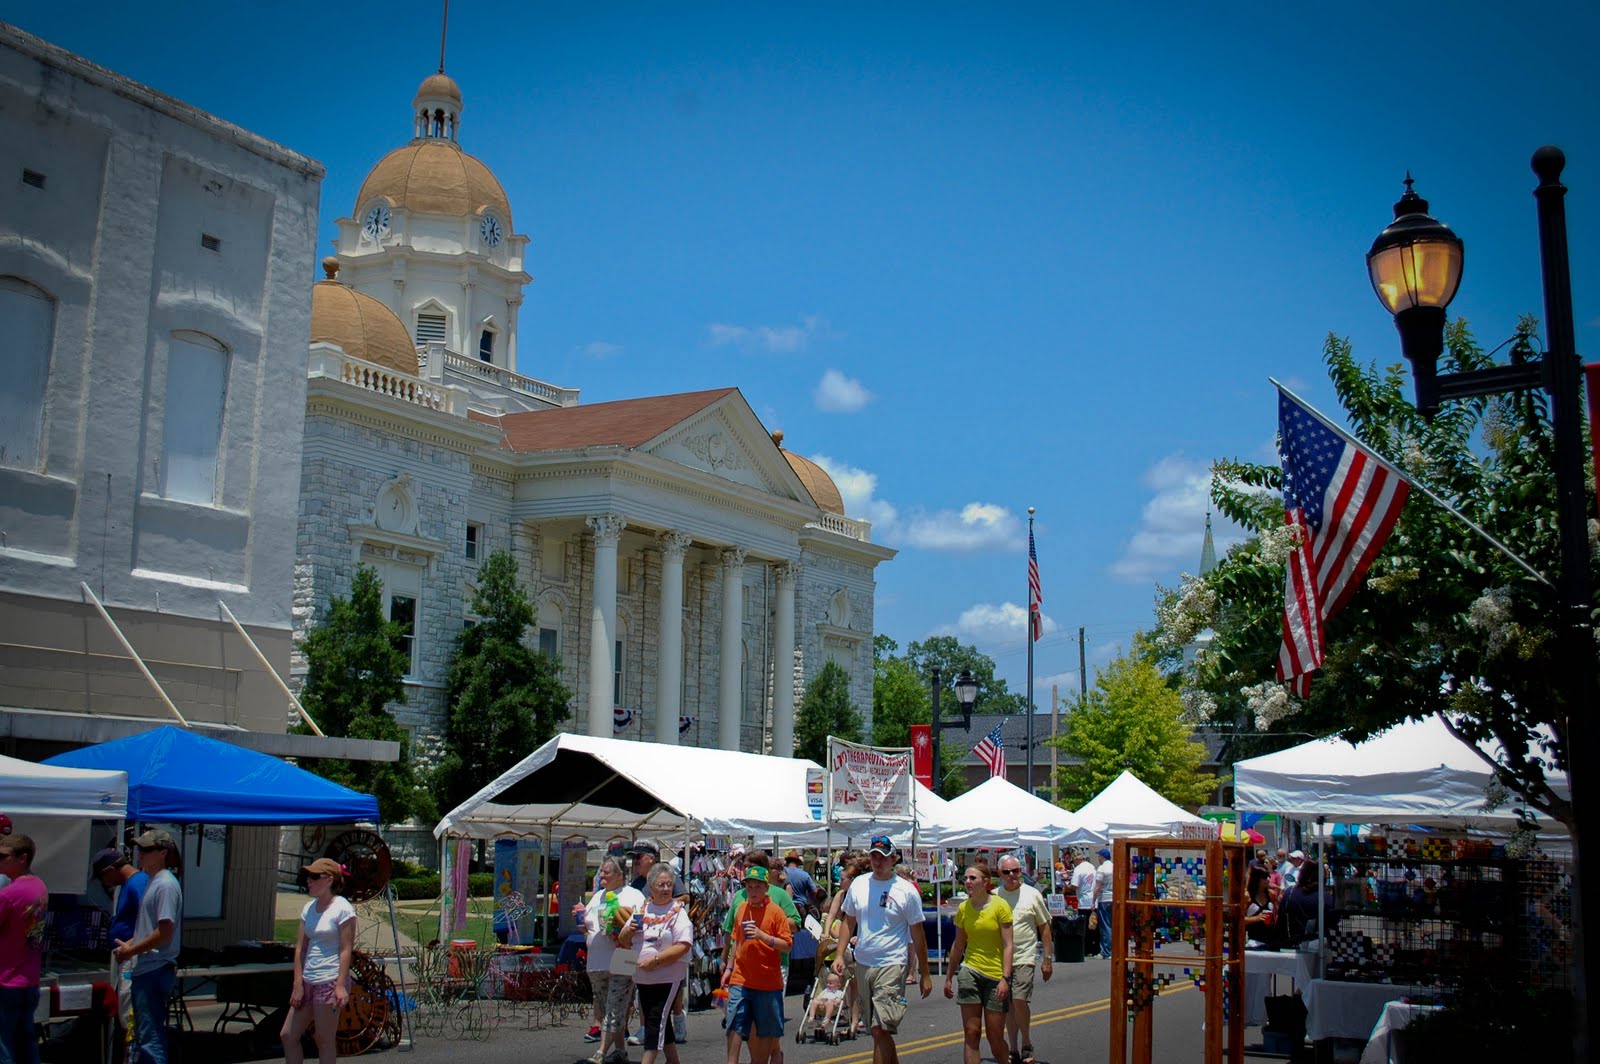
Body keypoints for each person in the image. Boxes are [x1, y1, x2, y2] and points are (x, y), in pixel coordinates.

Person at [835, 836, 930, 1064]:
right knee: (877, 1031)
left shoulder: (906, 891)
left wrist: (924, 972)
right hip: (864, 963)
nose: (878, 861)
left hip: (892, 963)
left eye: (884, 857)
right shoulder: (859, 884)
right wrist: (839, 954)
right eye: (874, 856)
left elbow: (918, 934)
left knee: (880, 1029)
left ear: (894, 859)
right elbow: (849, 921)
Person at [721, 851, 799, 1064]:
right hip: (741, 978)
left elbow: (787, 946)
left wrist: (763, 936)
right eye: (749, 886)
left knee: (764, 1037)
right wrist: (728, 968)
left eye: (757, 887)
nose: (753, 891)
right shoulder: (741, 908)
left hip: (767, 982)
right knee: (735, 1023)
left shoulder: (776, 911)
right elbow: (736, 940)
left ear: (766, 888)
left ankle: (771, 1056)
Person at [113, 829, 183, 1064]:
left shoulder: (164, 885)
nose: (139, 854)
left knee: (150, 1037)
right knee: (144, 1035)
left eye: (146, 849)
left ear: (163, 852)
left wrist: (131, 951)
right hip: (148, 967)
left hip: (154, 968)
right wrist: (130, 945)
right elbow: (150, 929)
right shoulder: (154, 882)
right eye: (139, 848)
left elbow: (164, 932)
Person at [280, 857, 356, 1064]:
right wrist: (298, 984)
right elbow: (300, 948)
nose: (309, 881)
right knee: (288, 1035)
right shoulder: (308, 909)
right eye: (308, 877)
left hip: (329, 980)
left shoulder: (342, 908)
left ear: (329, 880)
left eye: (314, 877)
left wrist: (340, 985)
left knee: (323, 1039)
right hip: (308, 979)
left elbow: (346, 948)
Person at [621, 865, 693, 1064]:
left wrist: (656, 960)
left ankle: (648, 1059)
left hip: (667, 977)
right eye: (661, 884)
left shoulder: (678, 912)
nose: (666, 889)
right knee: (661, 1021)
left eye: (669, 884)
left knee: (654, 1023)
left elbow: (683, 945)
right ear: (651, 887)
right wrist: (629, 931)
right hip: (642, 976)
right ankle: (673, 1060)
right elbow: (623, 940)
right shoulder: (642, 909)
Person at [944, 862, 1013, 1064]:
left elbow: (1009, 945)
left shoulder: (1000, 906)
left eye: (973, 878)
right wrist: (949, 976)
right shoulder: (964, 908)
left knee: (995, 1037)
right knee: (971, 1033)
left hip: (995, 975)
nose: (968, 882)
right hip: (970, 971)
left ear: (985, 882)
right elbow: (958, 945)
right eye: (966, 878)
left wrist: (1005, 978)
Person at [579, 856, 642, 1064]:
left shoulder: (633, 895)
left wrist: (620, 929)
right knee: (610, 1010)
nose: (601, 874)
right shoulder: (597, 896)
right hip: (597, 962)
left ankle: (601, 1052)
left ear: (619, 875)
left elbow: (641, 925)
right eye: (601, 870)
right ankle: (620, 1051)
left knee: (615, 1007)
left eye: (606, 871)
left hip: (624, 958)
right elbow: (588, 923)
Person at [995, 854, 1051, 1064]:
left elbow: (1044, 927)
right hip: (1001, 959)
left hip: (1025, 956)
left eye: (1016, 871)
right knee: (1008, 1005)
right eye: (1007, 872)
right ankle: (1013, 1048)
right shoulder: (994, 896)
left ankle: (1026, 1042)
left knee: (1019, 999)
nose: (1012, 876)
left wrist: (1047, 958)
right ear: (999, 873)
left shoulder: (1032, 894)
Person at [0, 834, 47, 1064]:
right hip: (29, 978)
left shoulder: (9, 894)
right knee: (26, 1042)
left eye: (3, 856)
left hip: (7, 979)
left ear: (22, 858)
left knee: (4, 1045)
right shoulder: (39, 886)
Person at [92, 848, 148, 954]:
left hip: (135, 953)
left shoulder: (137, 883)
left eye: (101, 877)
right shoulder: (128, 883)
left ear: (111, 870)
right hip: (128, 953)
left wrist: (130, 946)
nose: (103, 882)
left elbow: (150, 921)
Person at [1071, 849, 1098, 957]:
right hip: (1094, 900)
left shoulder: (1078, 869)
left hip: (1084, 901)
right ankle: (1095, 948)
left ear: (1077, 859)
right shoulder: (1092, 867)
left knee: (1085, 928)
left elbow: (1074, 885)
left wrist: (1066, 887)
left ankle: (1086, 949)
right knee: (1094, 927)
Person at [1094, 847, 1115, 960]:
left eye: (1099, 856)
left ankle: (1106, 951)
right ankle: (1114, 949)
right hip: (1114, 898)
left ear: (1102, 857)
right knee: (1113, 925)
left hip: (1104, 899)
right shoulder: (1114, 867)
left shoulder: (1102, 869)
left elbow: (1097, 887)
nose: (1098, 858)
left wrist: (1093, 901)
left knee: (1105, 926)